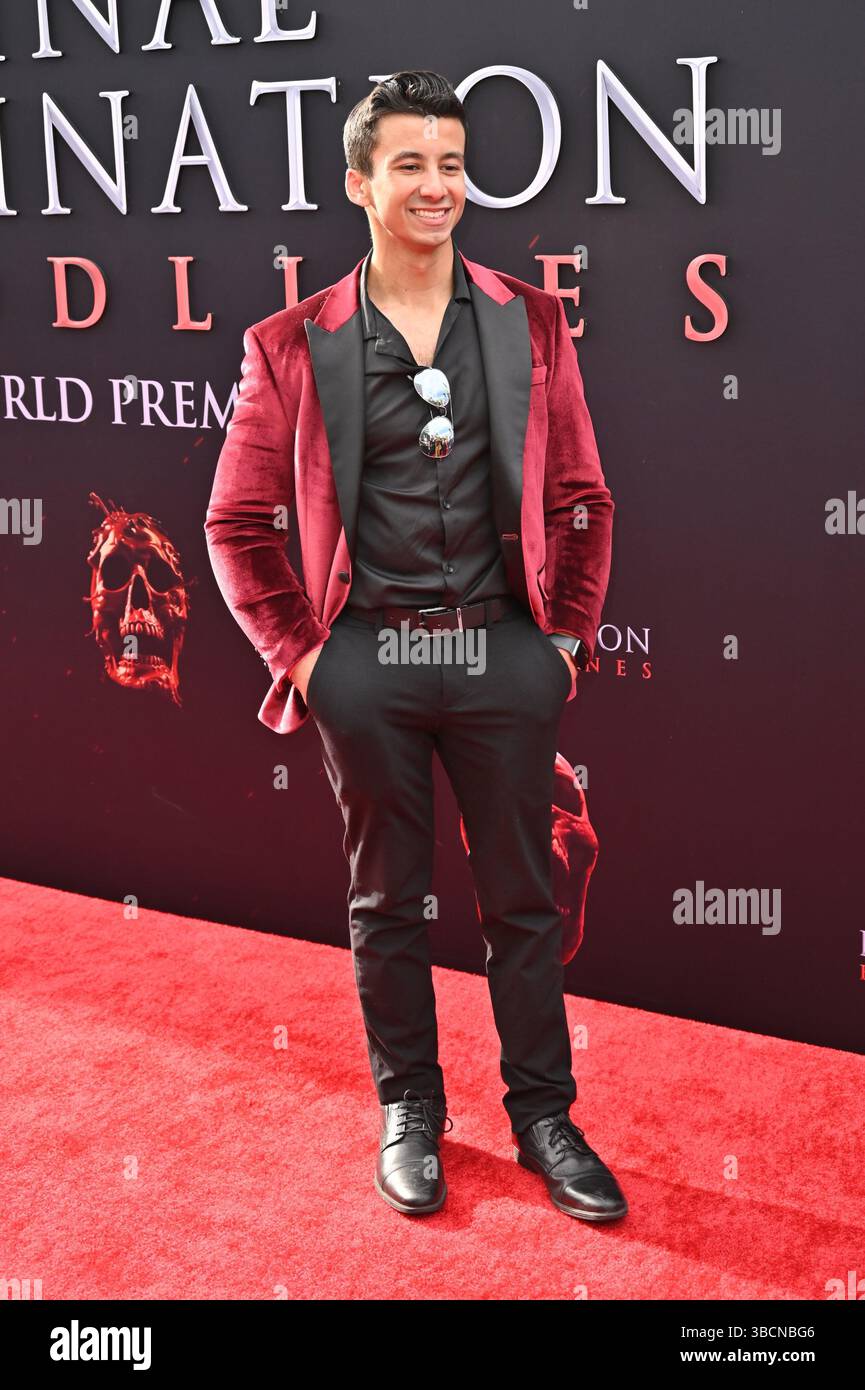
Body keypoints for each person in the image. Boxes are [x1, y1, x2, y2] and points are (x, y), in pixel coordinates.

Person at [204, 69, 627, 1222]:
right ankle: (411, 1109)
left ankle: (544, 1115)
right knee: (386, 904)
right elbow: (236, 522)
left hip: (504, 655)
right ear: (358, 182)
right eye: (409, 164)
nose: (436, 183)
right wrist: (303, 656)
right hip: (366, 667)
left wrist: (565, 641)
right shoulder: (291, 343)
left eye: (449, 161)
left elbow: (582, 494)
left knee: (523, 901)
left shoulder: (531, 319)